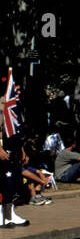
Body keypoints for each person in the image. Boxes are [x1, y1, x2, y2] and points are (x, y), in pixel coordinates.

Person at [1, 73, 30, 227]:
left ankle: (9, 214)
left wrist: (21, 150)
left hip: (13, 149)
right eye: (15, 88)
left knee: (12, 182)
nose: (17, 91)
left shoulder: (16, 106)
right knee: (4, 181)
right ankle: (1, 214)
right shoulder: (3, 104)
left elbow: (16, 130)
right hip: (2, 150)